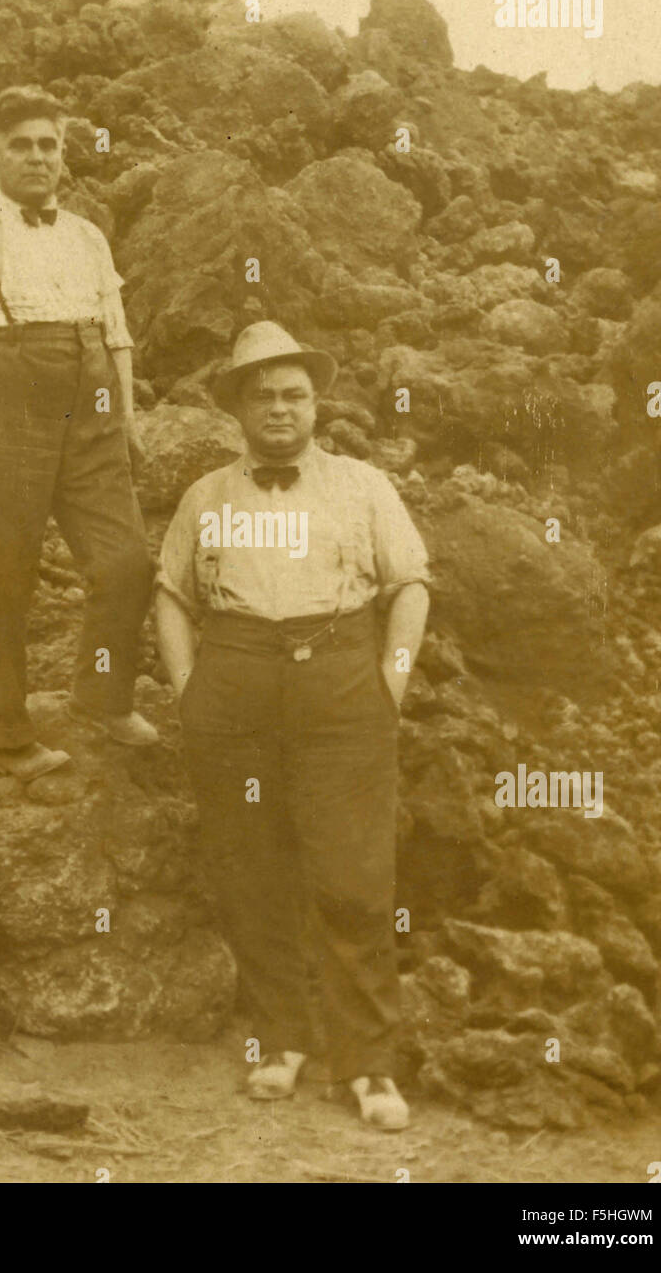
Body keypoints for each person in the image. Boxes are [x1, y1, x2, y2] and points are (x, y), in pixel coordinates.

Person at [155, 321, 430, 1131]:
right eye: (263, 395)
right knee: (251, 869)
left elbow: (410, 584)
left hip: (342, 680)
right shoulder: (207, 495)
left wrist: (391, 684)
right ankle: (283, 1040)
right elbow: (171, 594)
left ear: (317, 404)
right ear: (238, 406)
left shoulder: (364, 486)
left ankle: (369, 1065)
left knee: (352, 879)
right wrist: (186, 690)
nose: (280, 409)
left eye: (295, 395)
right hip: (235, 684)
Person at [0, 85, 157, 782]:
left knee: (126, 564)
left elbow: (117, 336)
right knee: (4, 573)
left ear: (63, 154)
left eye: (48, 145)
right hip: (7, 409)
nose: (36, 157)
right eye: (20, 144)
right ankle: (8, 733)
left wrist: (129, 417)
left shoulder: (87, 237)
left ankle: (101, 697)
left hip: (94, 412)